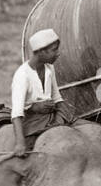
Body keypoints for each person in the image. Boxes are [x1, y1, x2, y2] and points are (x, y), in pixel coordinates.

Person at [12, 29, 74, 157]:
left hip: (53, 116)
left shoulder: (49, 68)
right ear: (40, 52)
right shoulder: (22, 75)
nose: (58, 54)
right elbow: (17, 113)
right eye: (54, 50)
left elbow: (57, 97)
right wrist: (20, 143)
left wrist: (65, 119)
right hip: (33, 122)